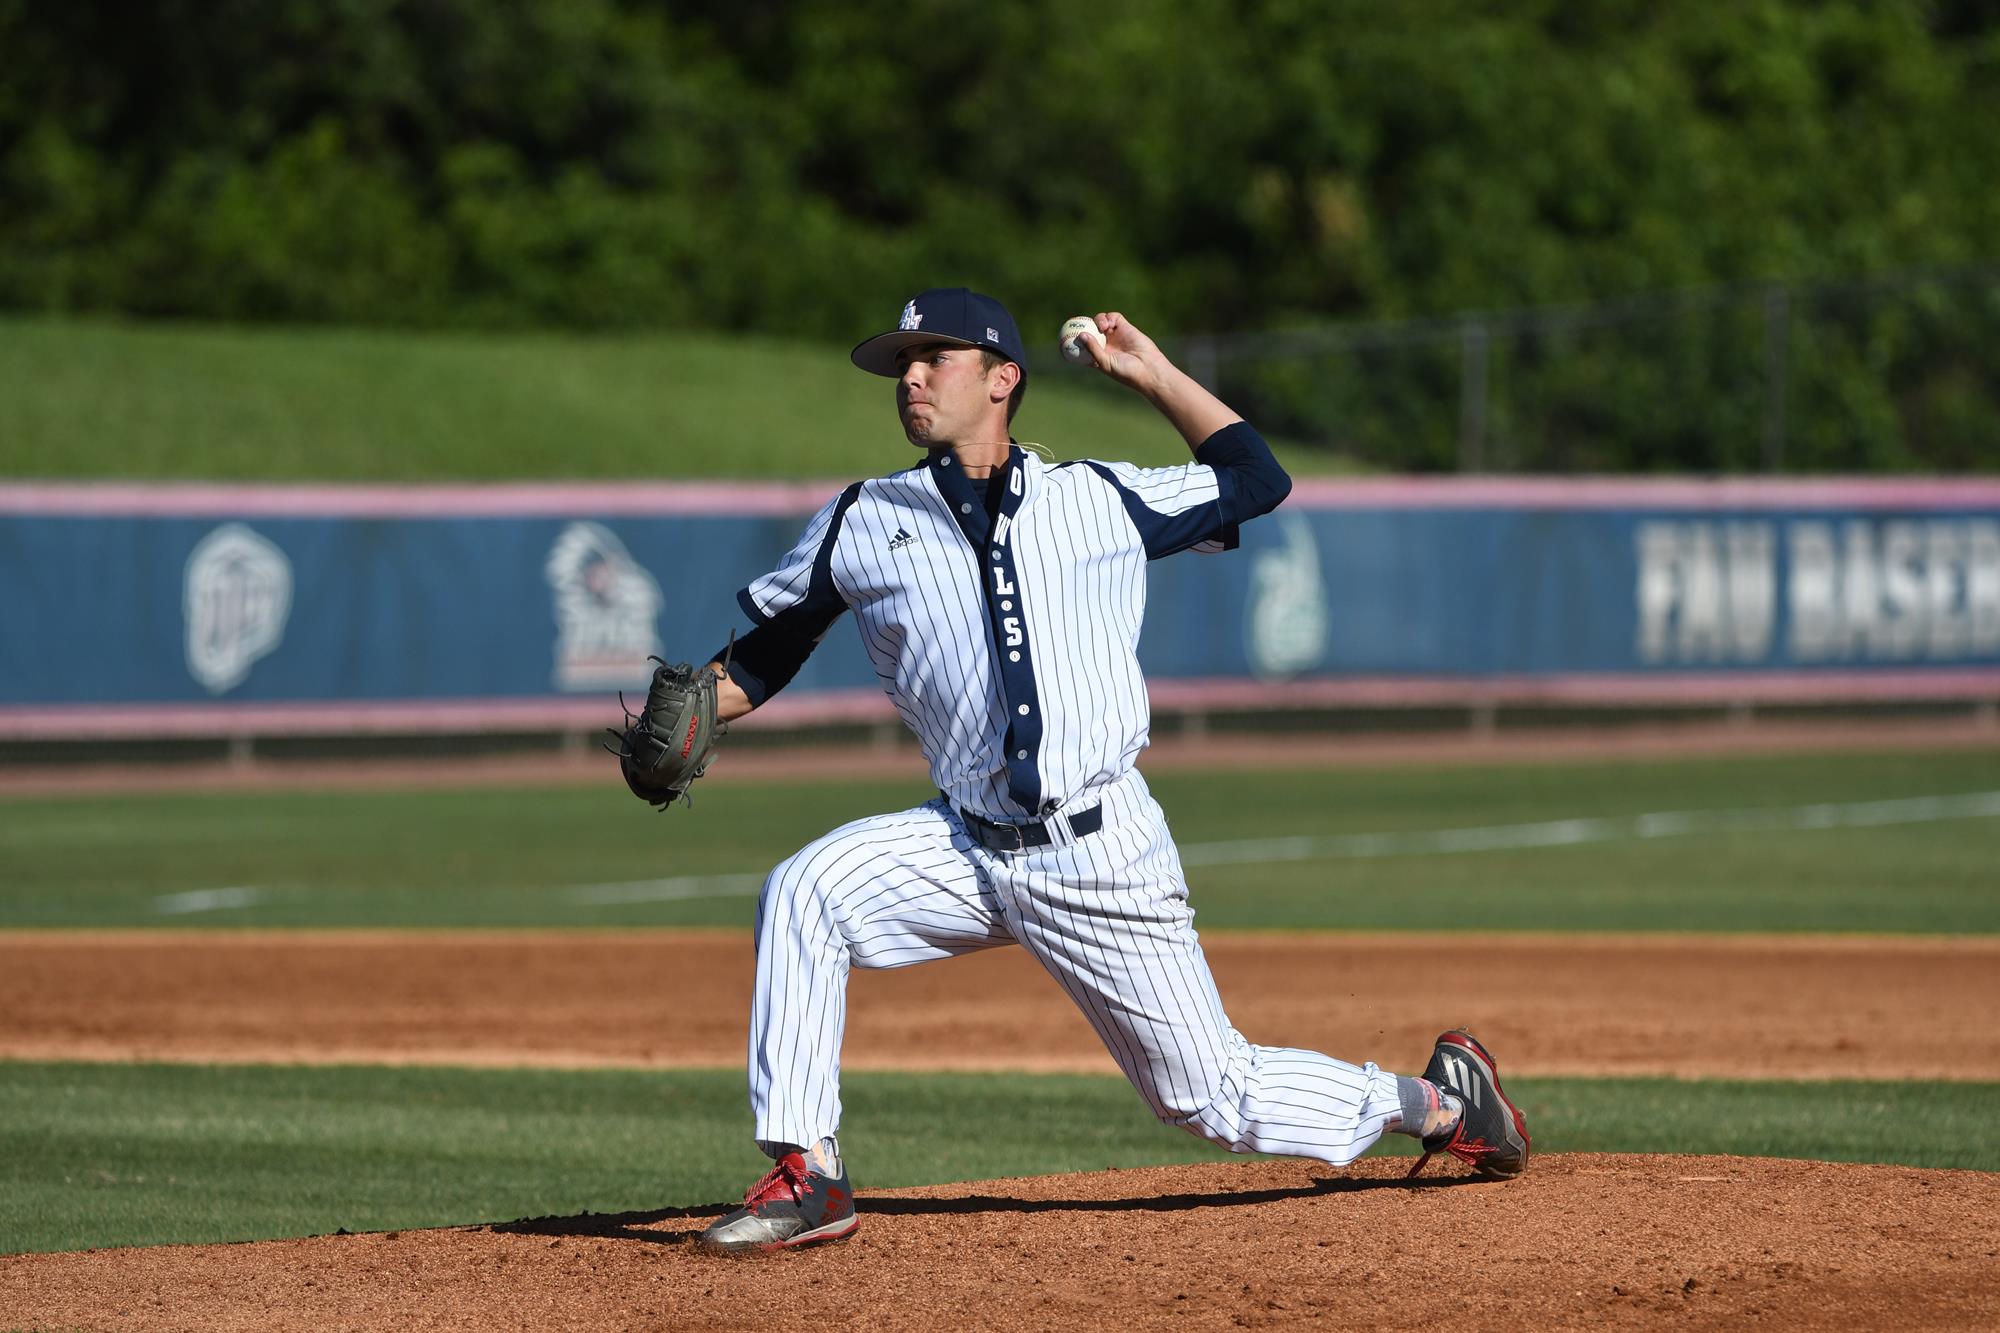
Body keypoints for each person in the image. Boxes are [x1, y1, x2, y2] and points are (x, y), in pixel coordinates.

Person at [693, 288, 1529, 1254]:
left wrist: (1152, 374)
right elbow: (767, 652)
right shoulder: (865, 518)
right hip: (964, 843)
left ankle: (1438, 1101)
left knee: (1213, 1097)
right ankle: (810, 1174)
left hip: (1098, 852)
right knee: (806, 892)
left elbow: (1256, 477)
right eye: (901, 364)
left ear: (1004, 378)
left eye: (937, 356)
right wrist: (688, 714)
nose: (911, 377)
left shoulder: (1097, 496)